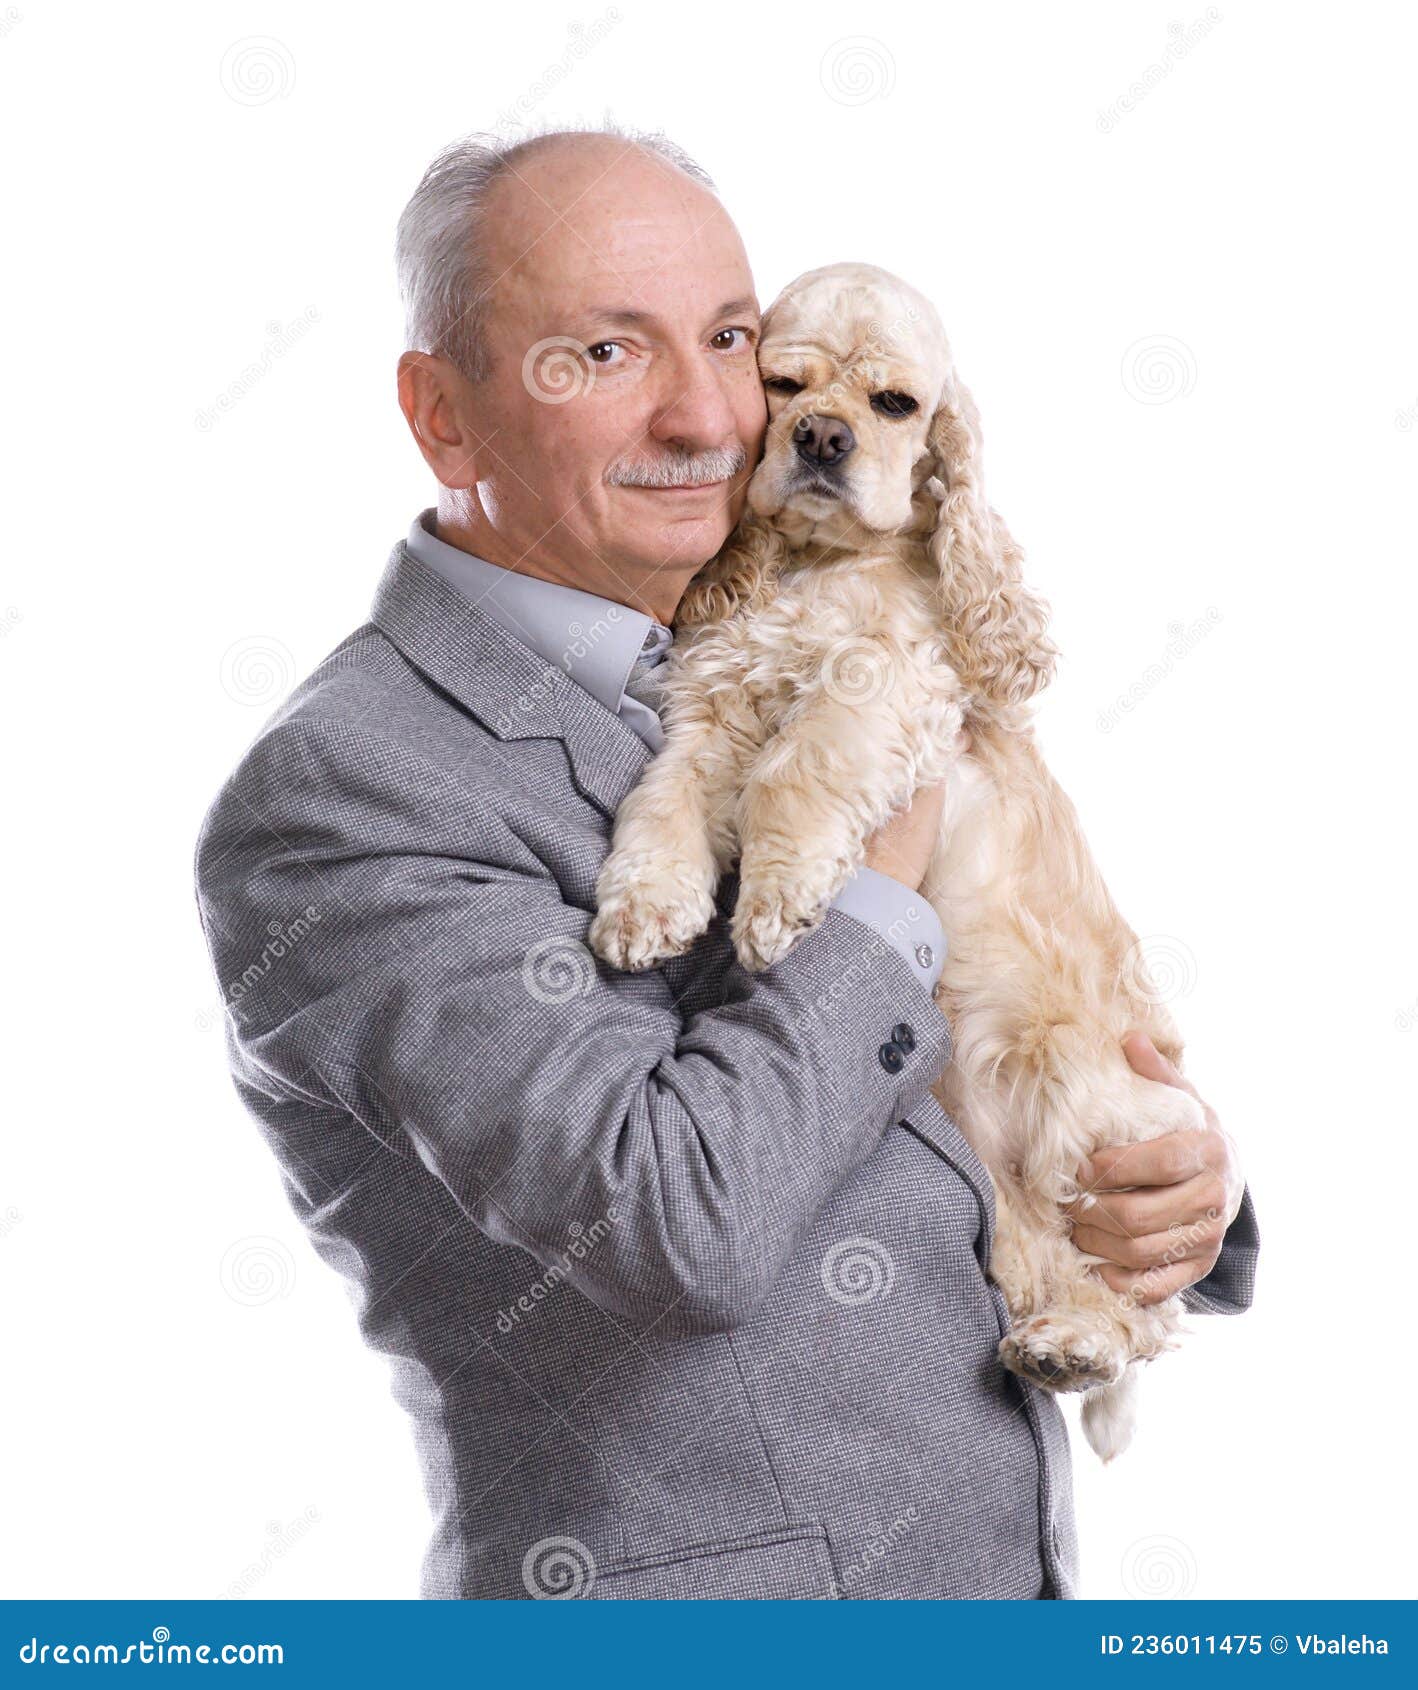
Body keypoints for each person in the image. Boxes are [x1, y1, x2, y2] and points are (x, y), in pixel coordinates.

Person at [194, 124, 1258, 1601]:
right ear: (442, 418)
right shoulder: (344, 791)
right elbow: (668, 1220)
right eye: (605, 353)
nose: (708, 415)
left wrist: (1156, 1193)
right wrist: (878, 880)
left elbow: (930, 1063)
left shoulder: (766, 629)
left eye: (731, 339)